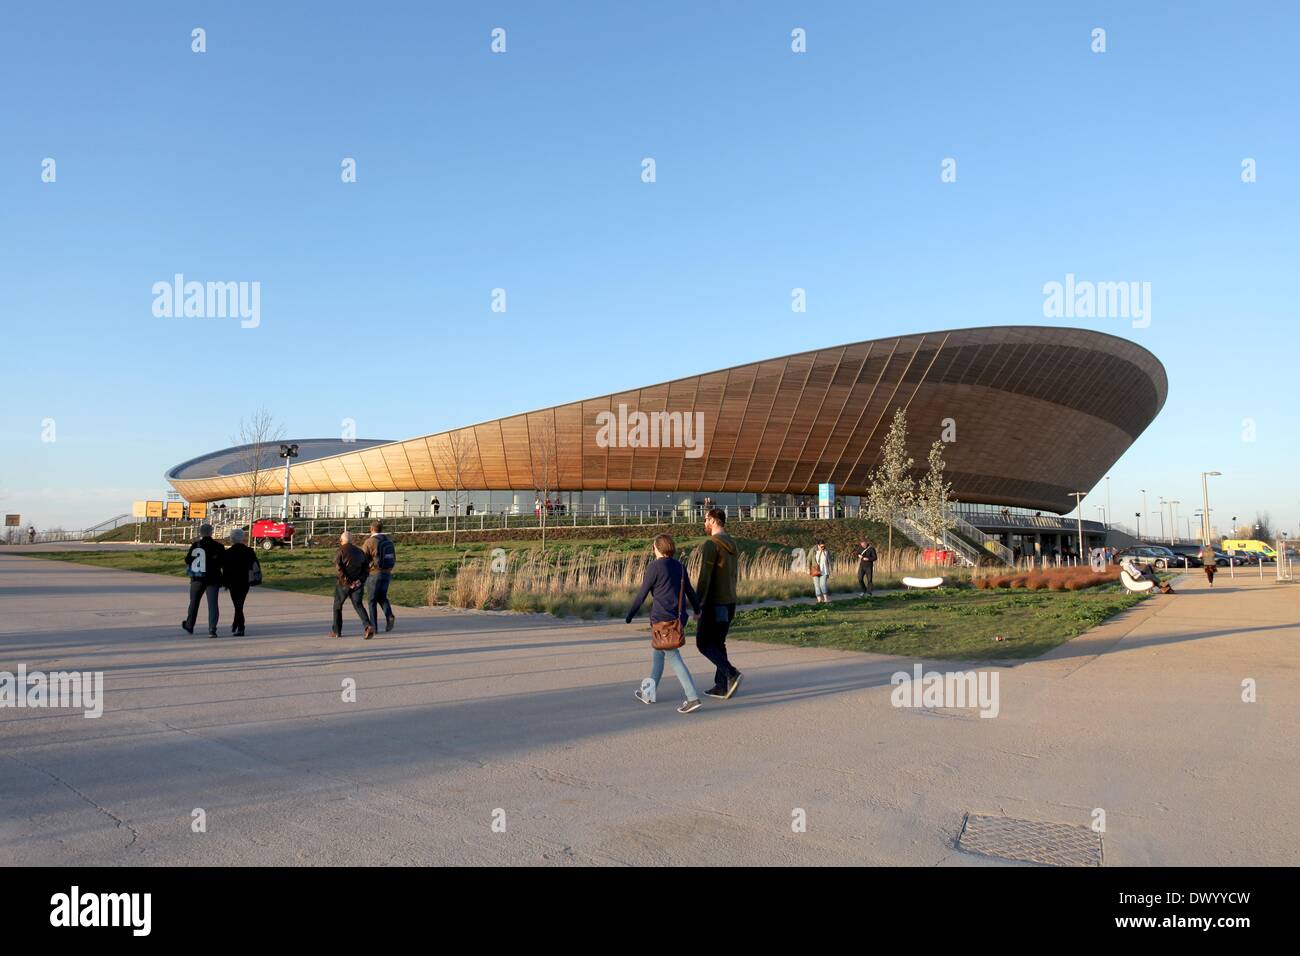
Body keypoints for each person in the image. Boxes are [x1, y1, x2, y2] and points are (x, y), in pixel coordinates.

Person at [624, 533, 702, 714]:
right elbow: (690, 591)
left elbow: (642, 594)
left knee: (673, 656)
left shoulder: (655, 567)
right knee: (658, 654)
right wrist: (697, 610)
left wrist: (630, 615)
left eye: (653, 546)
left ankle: (692, 698)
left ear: (658, 548)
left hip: (662, 620)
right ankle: (648, 693)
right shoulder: (680, 567)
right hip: (678, 619)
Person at [694, 507, 742, 699]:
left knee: (703, 643)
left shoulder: (711, 544)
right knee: (718, 643)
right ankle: (721, 686)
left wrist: (697, 604)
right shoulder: (733, 543)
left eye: (706, 519)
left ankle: (731, 673)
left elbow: (705, 577)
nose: (704, 523)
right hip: (730, 601)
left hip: (714, 602)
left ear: (713, 520)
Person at [182, 523, 225, 637]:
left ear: (201, 533)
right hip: (213, 578)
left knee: (194, 602)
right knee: (213, 604)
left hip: (197, 578)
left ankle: (190, 625)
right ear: (211, 532)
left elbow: (187, 560)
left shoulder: (196, 545)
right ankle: (212, 629)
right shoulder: (218, 546)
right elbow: (223, 563)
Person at [332, 531, 374, 639]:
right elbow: (366, 569)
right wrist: (359, 581)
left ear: (341, 540)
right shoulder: (360, 552)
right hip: (358, 584)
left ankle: (337, 631)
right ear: (352, 541)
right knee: (358, 605)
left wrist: (347, 582)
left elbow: (339, 568)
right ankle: (368, 626)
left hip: (344, 584)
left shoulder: (340, 551)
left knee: (337, 606)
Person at [362, 519, 397, 632]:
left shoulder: (370, 541)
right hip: (387, 572)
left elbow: (363, 558)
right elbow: (393, 558)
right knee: (382, 596)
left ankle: (374, 627)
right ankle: (389, 615)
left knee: (372, 600)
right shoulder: (389, 540)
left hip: (374, 573)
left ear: (371, 529)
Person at [222, 528, 258, 636]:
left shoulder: (228, 553)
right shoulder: (249, 551)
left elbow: (225, 569)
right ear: (242, 538)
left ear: (231, 539)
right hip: (245, 581)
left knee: (237, 604)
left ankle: (240, 626)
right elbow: (254, 565)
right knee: (239, 604)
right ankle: (236, 623)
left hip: (233, 582)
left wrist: (225, 582)